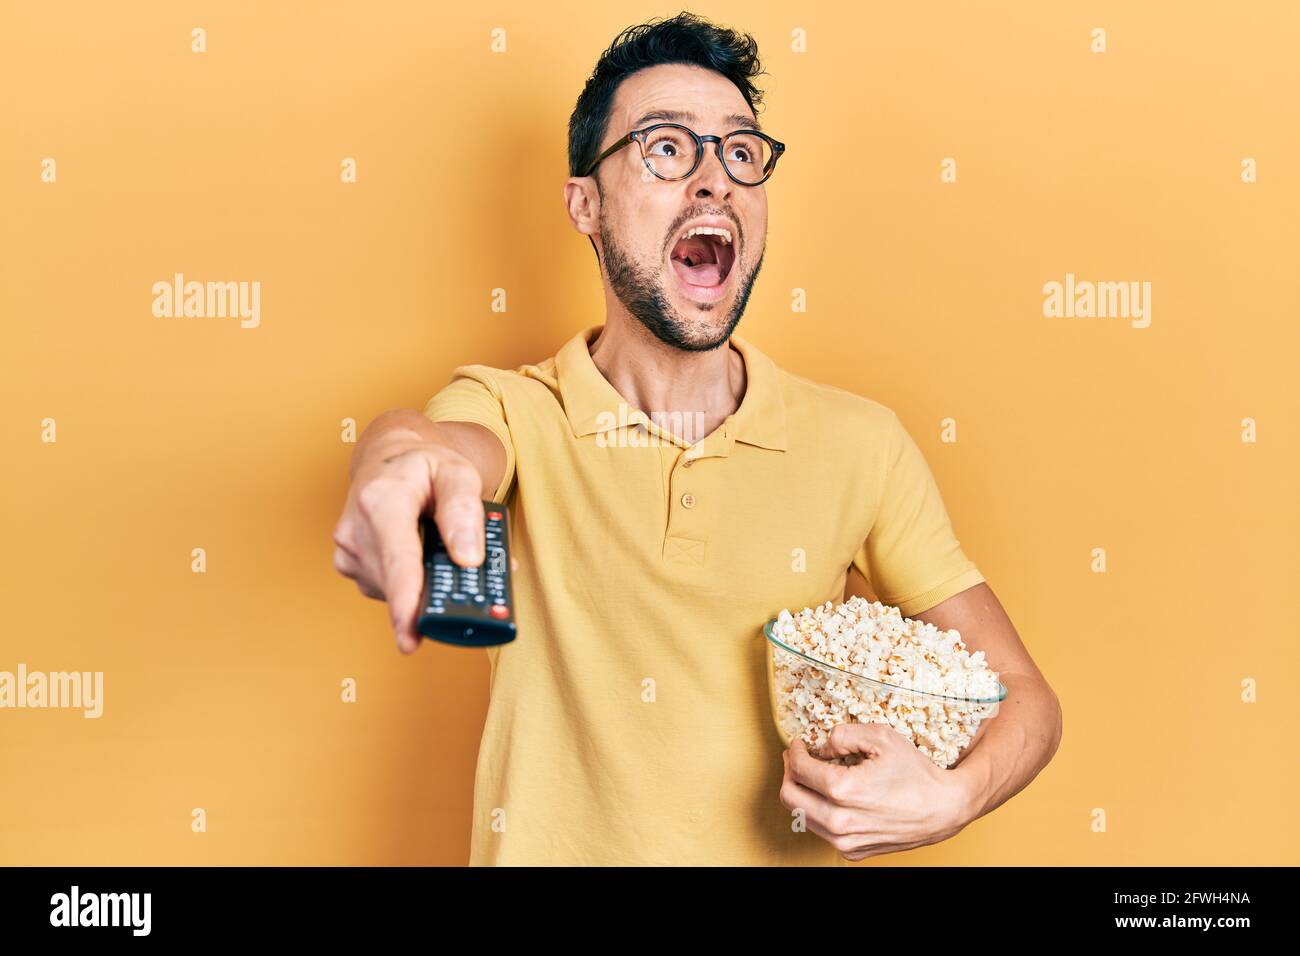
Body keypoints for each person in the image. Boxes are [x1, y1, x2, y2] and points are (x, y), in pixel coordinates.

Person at [332, 12, 1062, 866]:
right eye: (667, 149)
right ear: (586, 204)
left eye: (741, 153)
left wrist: (953, 799)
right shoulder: (517, 410)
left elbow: (1026, 698)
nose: (715, 179)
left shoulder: (862, 444)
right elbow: (435, 445)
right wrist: (398, 466)